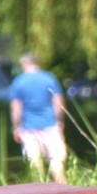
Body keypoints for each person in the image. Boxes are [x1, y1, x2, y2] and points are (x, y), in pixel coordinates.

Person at [9, 53, 67, 182]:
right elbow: (58, 102)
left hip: (28, 128)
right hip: (50, 124)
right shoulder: (50, 79)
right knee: (56, 161)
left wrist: (16, 127)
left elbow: (16, 108)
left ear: (24, 64)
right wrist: (59, 121)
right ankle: (62, 189)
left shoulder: (18, 82)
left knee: (34, 163)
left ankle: (38, 191)